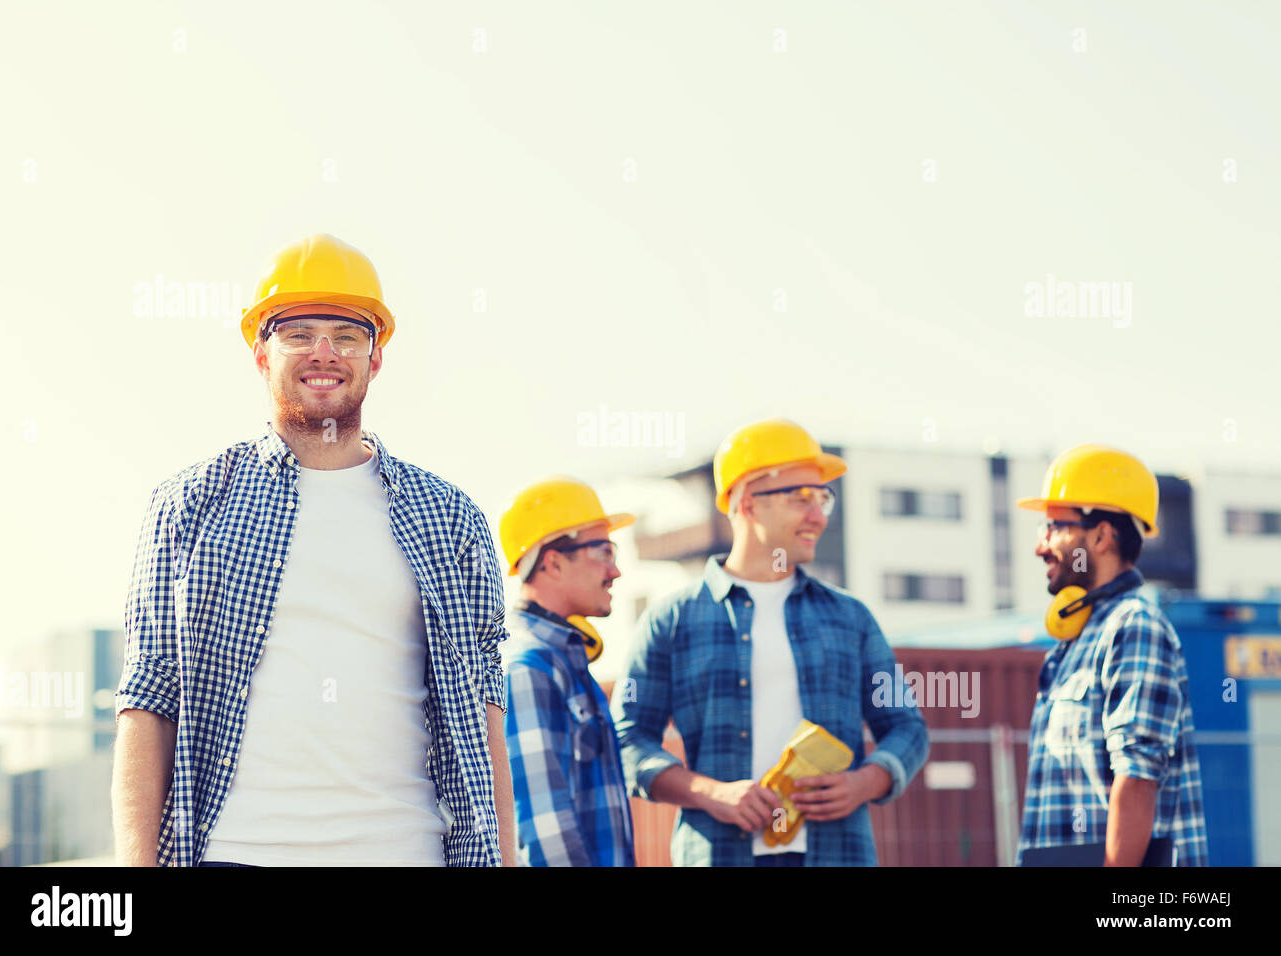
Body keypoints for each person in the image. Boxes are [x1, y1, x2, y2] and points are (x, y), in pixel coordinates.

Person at [111, 234, 514, 867]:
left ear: (375, 359)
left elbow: (484, 714)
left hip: (407, 853)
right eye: (298, 333)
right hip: (238, 854)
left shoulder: (451, 517)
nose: (324, 352)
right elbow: (148, 698)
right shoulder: (190, 506)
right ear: (260, 354)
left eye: (347, 335)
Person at [613, 418, 929, 866]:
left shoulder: (851, 618)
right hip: (719, 854)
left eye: (824, 499)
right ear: (746, 503)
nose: (818, 516)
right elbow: (627, 739)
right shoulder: (672, 619)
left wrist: (867, 781)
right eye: (802, 498)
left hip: (835, 853)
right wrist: (710, 793)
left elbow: (906, 727)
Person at [1016, 444, 1208, 866]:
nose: (1040, 546)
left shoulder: (1134, 628)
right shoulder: (1077, 639)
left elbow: (1137, 777)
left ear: (1100, 536)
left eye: (1053, 527)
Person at [498, 477, 636, 866]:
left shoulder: (565, 662)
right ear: (553, 562)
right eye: (603, 552)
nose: (616, 571)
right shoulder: (530, 668)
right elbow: (545, 831)